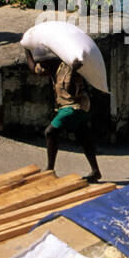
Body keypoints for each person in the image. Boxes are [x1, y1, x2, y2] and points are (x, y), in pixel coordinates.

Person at [24, 48, 102, 182]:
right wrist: (26, 49)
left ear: (49, 61)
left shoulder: (67, 67)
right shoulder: (48, 68)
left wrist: (73, 70)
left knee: (50, 132)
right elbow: (33, 68)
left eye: (43, 65)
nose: (42, 69)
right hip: (65, 107)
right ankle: (95, 171)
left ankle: (49, 170)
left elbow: (71, 91)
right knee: (83, 137)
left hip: (75, 106)